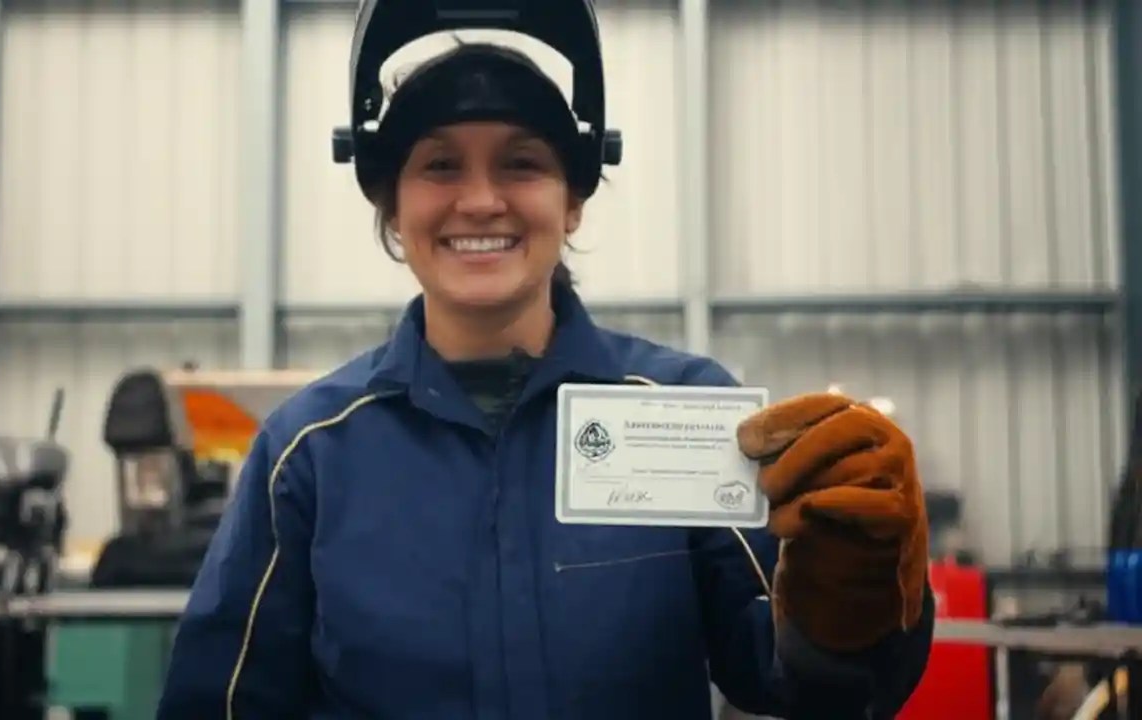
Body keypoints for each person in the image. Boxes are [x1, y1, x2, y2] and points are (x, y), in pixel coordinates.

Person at [156, 36, 935, 720]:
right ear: (393, 207)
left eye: (522, 163)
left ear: (574, 204)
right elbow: (221, 700)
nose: (482, 199)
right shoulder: (311, 453)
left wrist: (849, 613)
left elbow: (800, 687)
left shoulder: (692, 416)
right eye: (439, 165)